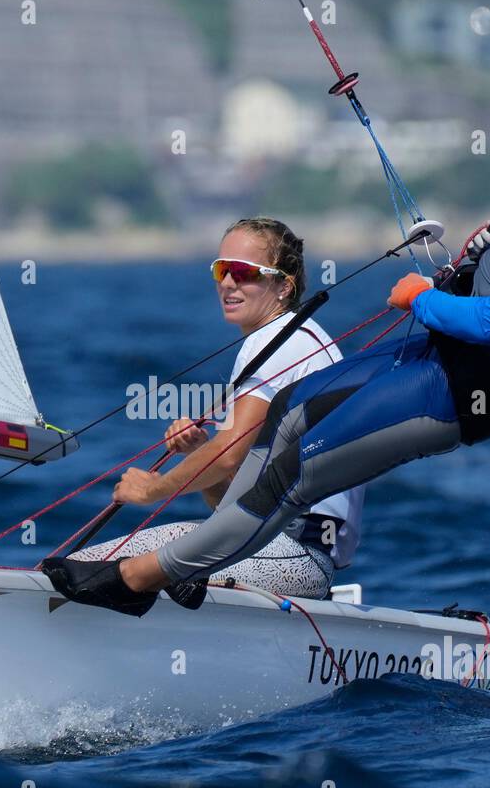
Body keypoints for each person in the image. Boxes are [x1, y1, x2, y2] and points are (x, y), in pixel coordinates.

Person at [44, 89, 490, 616]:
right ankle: (202, 562)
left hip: (461, 390)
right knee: (292, 406)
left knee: (290, 479)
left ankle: (135, 581)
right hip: (444, 359)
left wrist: (420, 296)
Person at [69, 216, 364, 603]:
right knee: (93, 570)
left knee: (81, 571)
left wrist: (153, 489)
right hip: (281, 553)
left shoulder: (281, 342)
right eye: (221, 270)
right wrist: (198, 454)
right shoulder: (294, 341)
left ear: (282, 285)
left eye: (243, 272)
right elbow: (229, 503)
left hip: (292, 555)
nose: (227, 283)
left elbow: (226, 457)